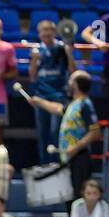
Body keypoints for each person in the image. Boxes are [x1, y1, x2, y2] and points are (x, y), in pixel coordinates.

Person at [26, 69, 100, 200]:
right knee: (69, 197)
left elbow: (95, 132)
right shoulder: (73, 105)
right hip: (68, 158)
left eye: (71, 80)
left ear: (76, 85)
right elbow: (57, 109)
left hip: (79, 157)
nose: (68, 83)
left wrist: (75, 148)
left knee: (79, 197)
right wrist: (39, 102)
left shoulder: (85, 104)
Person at [28, 19, 73, 165]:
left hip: (59, 98)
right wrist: (34, 61)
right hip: (42, 98)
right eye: (43, 30)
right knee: (43, 134)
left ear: (55, 32)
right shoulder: (37, 51)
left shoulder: (62, 49)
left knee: (56, 133)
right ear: (39, 33)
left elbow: (73, 71)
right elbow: (32, 76)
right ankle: (44, 164)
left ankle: (57, 164)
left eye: (49, 30)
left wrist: (69, 54)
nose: (47, 33)